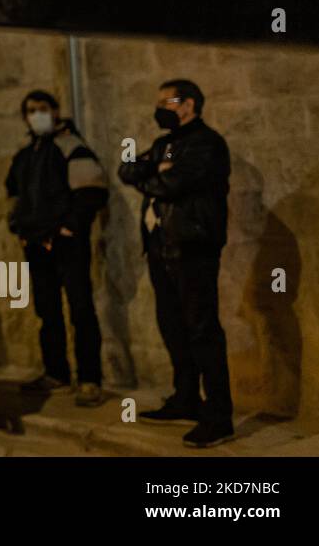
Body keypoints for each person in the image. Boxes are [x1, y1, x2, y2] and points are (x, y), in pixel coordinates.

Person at [118, 79, 234, 448]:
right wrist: (157, 170)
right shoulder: (162, 145)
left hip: (192, 246)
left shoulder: (207, 144)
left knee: (202, 329)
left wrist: (156, 174)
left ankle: (219, 416)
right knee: (172, 326)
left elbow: (174, 185)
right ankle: (185, 398)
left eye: (164, 103)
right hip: (160, 247)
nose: (158, 109)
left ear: (188, 105)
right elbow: (127, 169)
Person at [6, 89, 109, 407]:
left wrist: (67, 229)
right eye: (31, 110)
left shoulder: (71, 147)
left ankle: (90, 379)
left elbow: (91, 192)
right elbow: (13, 193)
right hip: (36, 245)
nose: (37, 114)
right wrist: (19, 228)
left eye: (42, 108)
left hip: (66, 245)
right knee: (47, 311)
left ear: (55, 111)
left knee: (81, 310)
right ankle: (56, 373)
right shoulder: (25, 152)